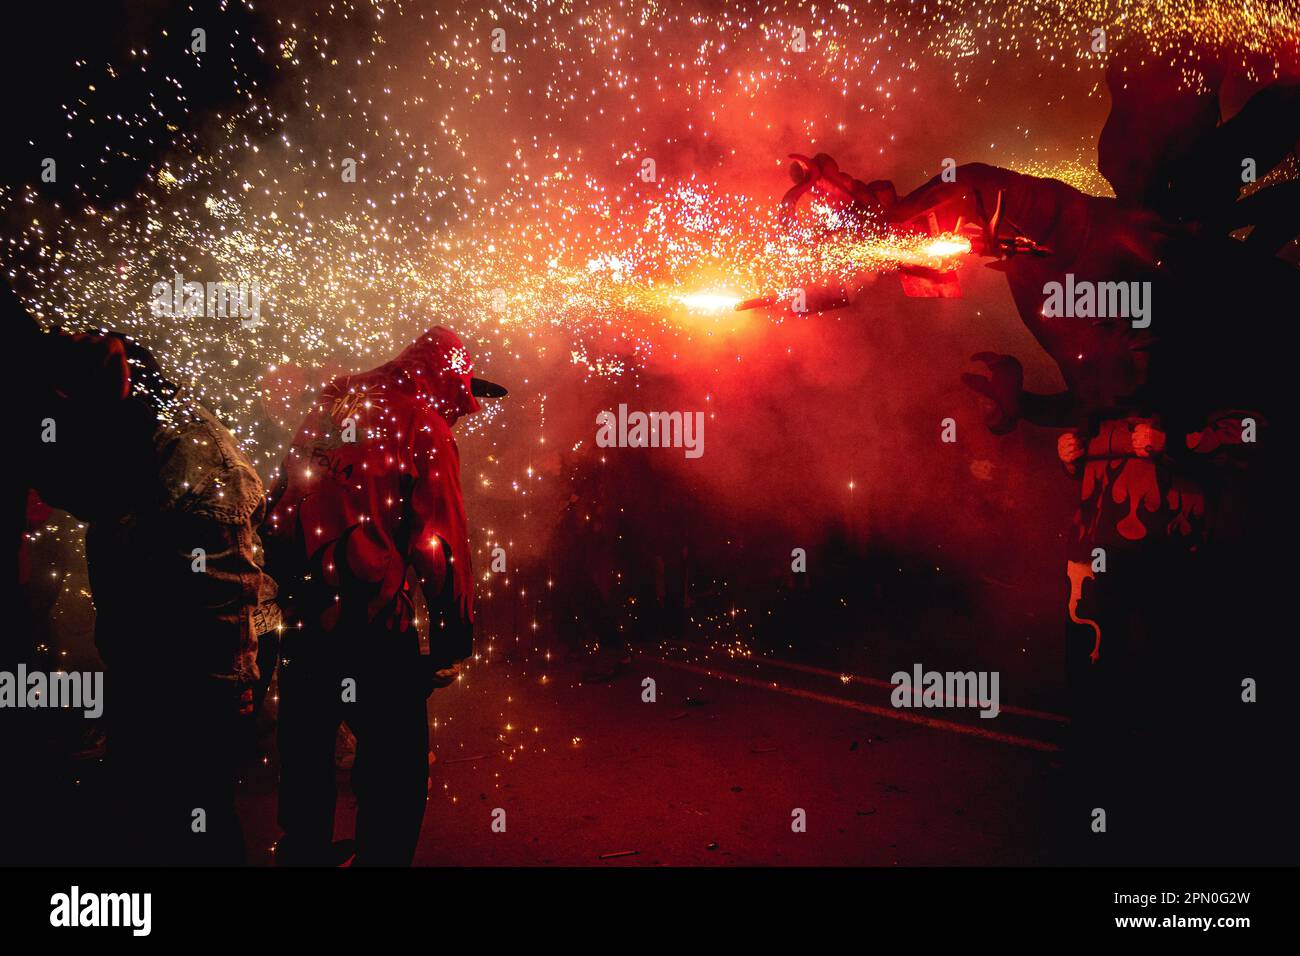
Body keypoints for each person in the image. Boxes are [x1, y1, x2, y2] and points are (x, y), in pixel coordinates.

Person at [26, 325, 279, 865]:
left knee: (193, 815)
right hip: (157, 658)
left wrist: (225, 689)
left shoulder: (195, 462)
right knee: (155, 813)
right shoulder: (129, 438)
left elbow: (222, 598)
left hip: (204, 666)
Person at [265, 324, 504, 866]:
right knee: (396, 772)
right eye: (465, 389)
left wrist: (288, 597)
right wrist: (451, 634)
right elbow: (439, 540)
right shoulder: (421, 423)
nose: (467, 404)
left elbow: (277, 513)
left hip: (304, 627)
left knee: (306, 766)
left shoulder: (328, 411)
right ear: (445, 377)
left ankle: (303, 859)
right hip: (374, 630)